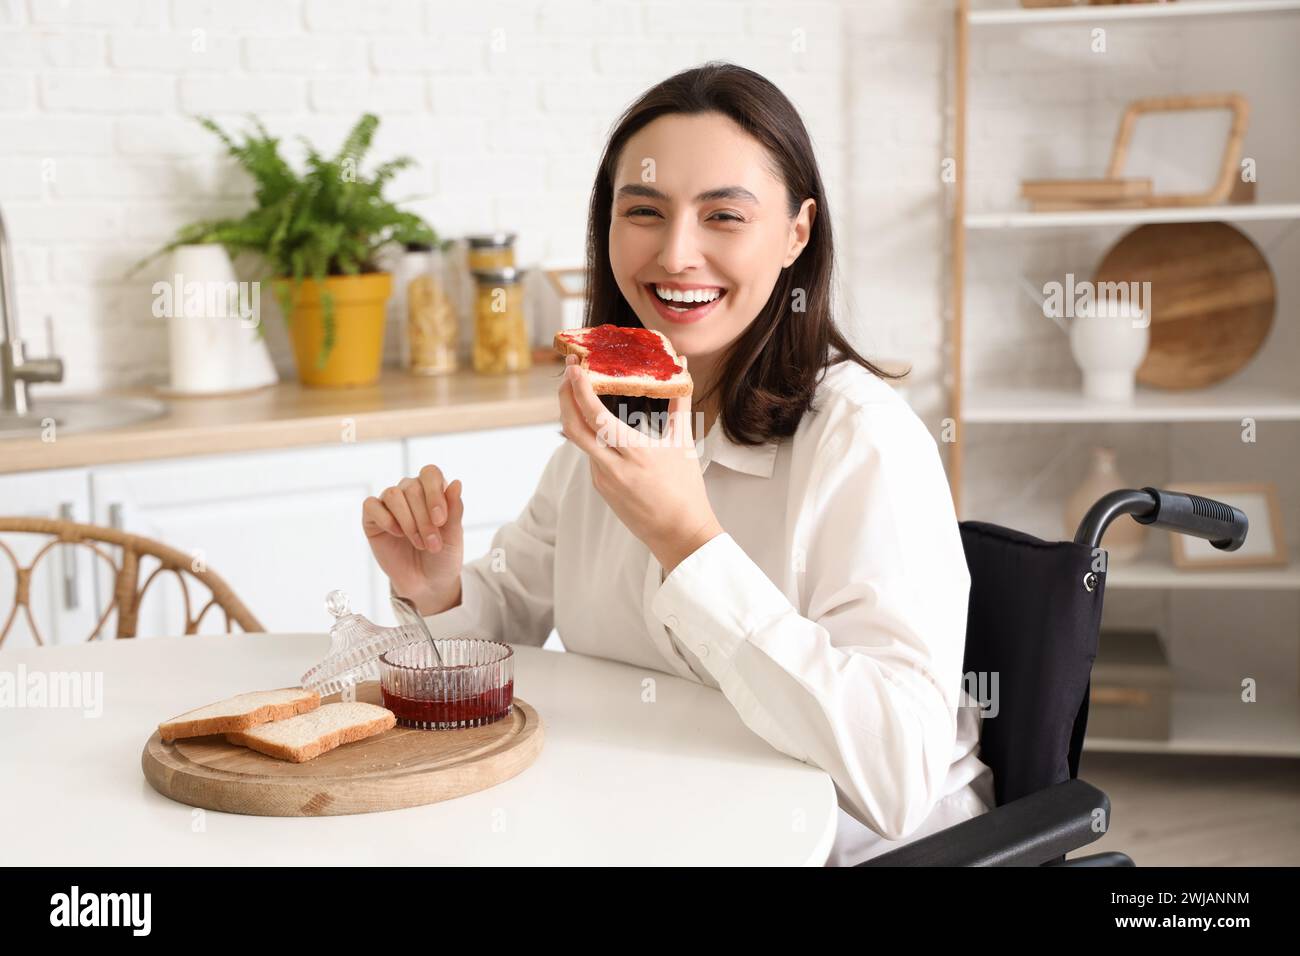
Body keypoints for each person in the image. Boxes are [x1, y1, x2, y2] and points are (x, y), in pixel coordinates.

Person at [362, 62, 994, 866]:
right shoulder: (613, 413)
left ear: (797, 233)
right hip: (660, 825)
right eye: (644, 213)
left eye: (723, 215)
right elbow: (507, 624)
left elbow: (897, 776)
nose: (676, 253)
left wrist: (689, 542)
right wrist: (438, 587)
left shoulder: (865, 440)